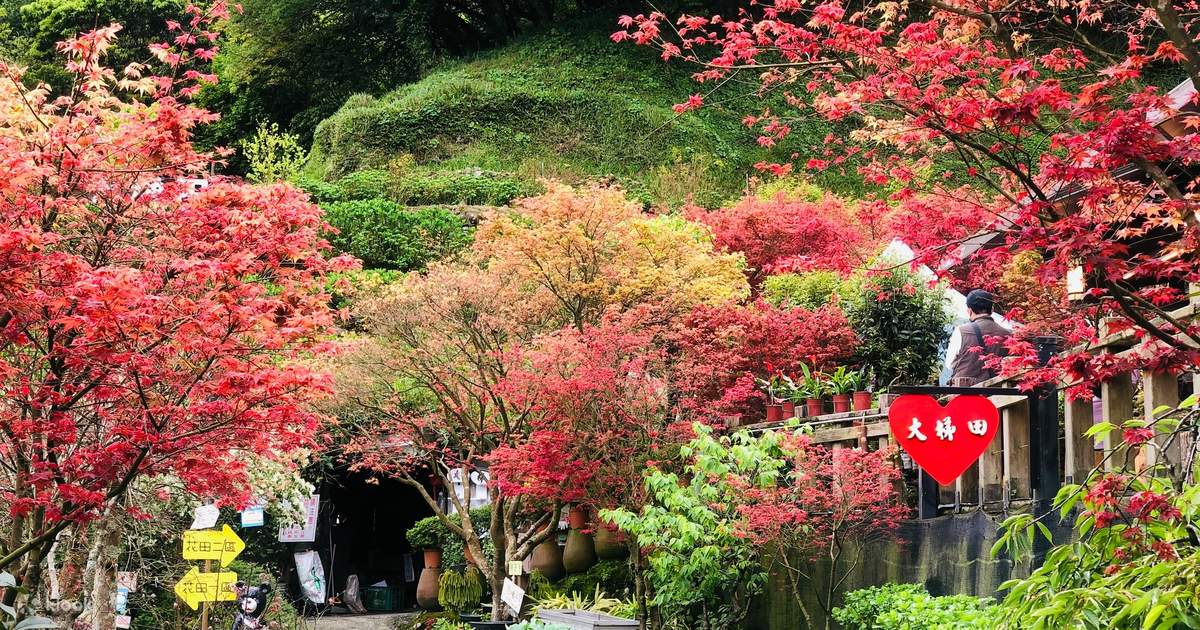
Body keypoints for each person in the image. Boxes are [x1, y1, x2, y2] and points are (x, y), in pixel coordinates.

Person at [945, 289, 1012, 385]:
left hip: (965, 393)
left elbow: (949, 364)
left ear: (969, 311)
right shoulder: (1008, 334)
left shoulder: (961, 331)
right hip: (998, 392)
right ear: (992, 310)